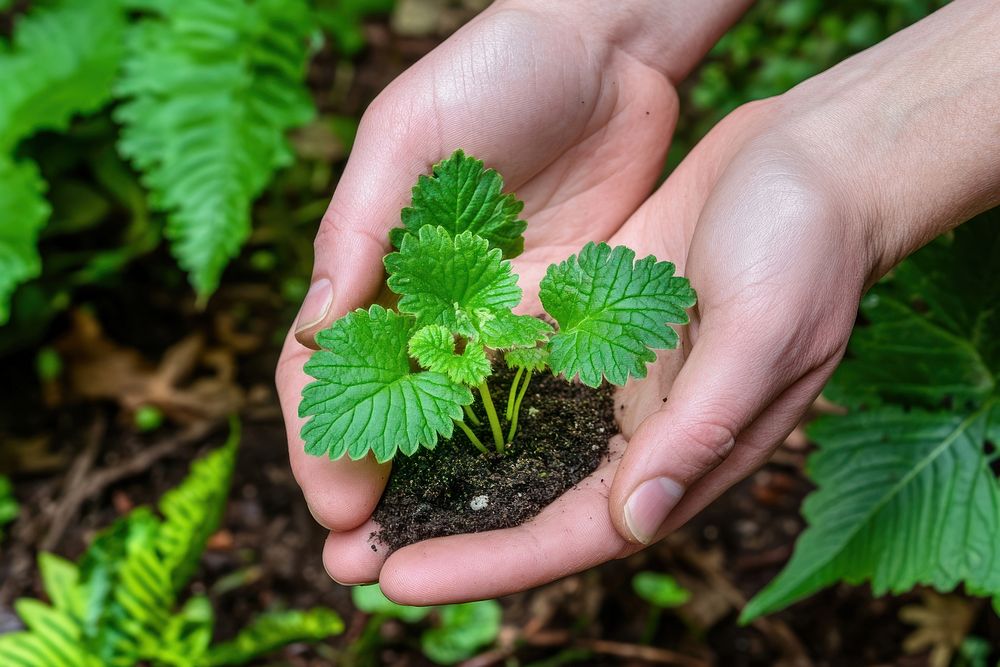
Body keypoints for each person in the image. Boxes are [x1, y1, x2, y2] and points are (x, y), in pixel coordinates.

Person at [275, 0, 1000, 604]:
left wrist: (848, 168)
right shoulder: (456, 338)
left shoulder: (524, 341)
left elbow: (646, 298)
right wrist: (595, 27)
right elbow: (368, 393)